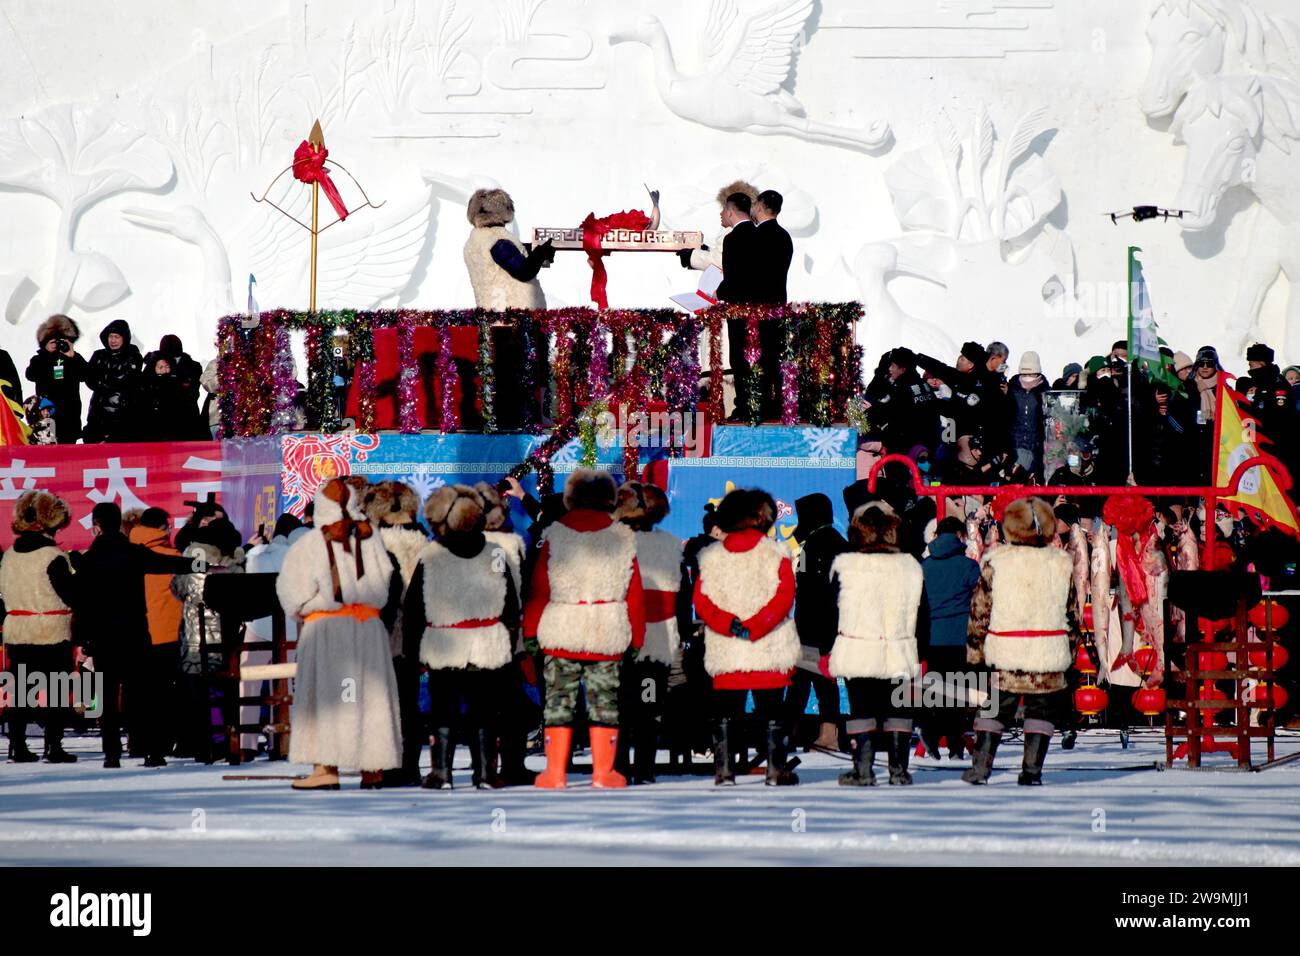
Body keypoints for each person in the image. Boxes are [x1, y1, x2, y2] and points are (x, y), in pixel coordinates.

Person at [276, 477, 403, 790]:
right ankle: (372, 768)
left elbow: (292, 591)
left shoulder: (310, 542)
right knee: (369, 697)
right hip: (367, 627)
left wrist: (307, 607)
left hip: (327, 627)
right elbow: (387, 578)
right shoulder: (372, 538)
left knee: (325, 697)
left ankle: (326, 768)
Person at [523, 469, 646, 789]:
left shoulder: (555, 535)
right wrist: (637, 637)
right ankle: (604, 773)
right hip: (606, 631)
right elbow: (634, 592)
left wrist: (531, 633)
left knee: (558, 703)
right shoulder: (622, 537)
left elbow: (540, 588)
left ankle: (555, 773)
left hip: (562, 629)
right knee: (605, 703)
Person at [404, 485, 518, 790]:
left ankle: (442, 772)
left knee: (444, 709)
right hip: (487, 642)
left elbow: (415, 608)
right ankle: (485, 773)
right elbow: (510, 603)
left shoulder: (431, 557)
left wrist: (412, 649)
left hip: (444, 643)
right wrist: (507, 637)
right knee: (484, 710)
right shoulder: (495, 553)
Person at [964, 496, 1082, 786]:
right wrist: (1070, 651)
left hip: (1007, 648)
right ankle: (1032, 771)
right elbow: (1071, 614)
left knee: (995, 707)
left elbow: (980, 610)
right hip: (1048, 648)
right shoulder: (1061, 564)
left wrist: (976, 653)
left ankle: (981, 767)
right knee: (1041, 710)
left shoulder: (996, 562)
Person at [70, 502, 194, 767]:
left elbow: (82, 603)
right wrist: (197, 564)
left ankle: (112, 754)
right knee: (143, 695)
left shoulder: (89, 560)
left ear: (96, 525)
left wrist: (81, 639)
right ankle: (151, 751)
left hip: (103, 638)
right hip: (136, 633)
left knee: (108, 696)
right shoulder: (133, 553)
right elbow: (166, 563)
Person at [694, 488, 800, 786]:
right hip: (769, 645)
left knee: (726, 712)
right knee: (771, 712)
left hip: (727, 646)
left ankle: (725, 771)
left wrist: (730, 624)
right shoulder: (777, 552)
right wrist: (756, 626)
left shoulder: (711, 556)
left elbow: (701, 600)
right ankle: (775, 770)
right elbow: (784, 597)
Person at [826, 502, 924, 786]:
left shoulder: (846, 566)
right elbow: (923, 613)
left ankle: (863, 771)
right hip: (899, 649)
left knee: (861, 709)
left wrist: (827, 646)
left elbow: (831, 609)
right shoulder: (910, 567)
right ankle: (899, 771)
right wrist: (922, 651)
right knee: (898, 710)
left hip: (858, 650)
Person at [612, 480, 685, 784]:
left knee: (618, 705)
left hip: (619, 635)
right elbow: (683, 595)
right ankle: (645, 767)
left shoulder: (611, 542)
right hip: (658, 638)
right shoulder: (670, 544)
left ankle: (617, 766)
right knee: (649, 702)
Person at [0, 491, 78, 763]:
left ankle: (18, 745)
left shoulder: (9, 555)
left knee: (20, 691)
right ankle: (53, 746)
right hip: (51, 628)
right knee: (56, 690)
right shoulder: (52, 555)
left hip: (18, 629)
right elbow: (70, 594)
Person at [361, 480, 430, 787]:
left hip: (385, 633)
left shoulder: (377, 544)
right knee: (409, 701)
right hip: (418, 635)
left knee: (383, 702)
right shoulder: (426, 543)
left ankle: (386, 766)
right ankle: (410, 766)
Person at [476, 480, 537, 786]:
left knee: (488, 704)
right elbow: (514, 591)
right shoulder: (507, 546)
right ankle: (509, 765)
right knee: (510, 704)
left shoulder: (459, 546)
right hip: (503, 635)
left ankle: (486, 767)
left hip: (475, 636)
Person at [171, 517, 246, 762]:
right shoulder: (236, 566)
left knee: (197, 694)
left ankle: (201, 743)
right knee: (225, 693)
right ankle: (225, 740)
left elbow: (176, 589)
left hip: (194, 638)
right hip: (228, 639)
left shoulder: (190, 562)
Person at [786, 492, 847, 752]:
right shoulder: (842, 544)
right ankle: (828, 734)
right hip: (833, 626)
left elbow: (806, 590)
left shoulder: (811, 547)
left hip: (811, 627)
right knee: (825, 683)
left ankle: (787, 733)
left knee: (799, 684)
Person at [242, 513, 307, 759]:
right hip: (292, 629)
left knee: (249, 684)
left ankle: (246, 743)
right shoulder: (303, 557)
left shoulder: (259, 555)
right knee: (288, 686)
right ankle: (283, 740)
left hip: (258, 627)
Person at [918, 516, 981, 760]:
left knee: (939, 692)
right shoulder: (968, 566)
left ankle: (942, 738)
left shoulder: (924, 566)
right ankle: (943, 740)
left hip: (932, 637)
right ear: (959, 535)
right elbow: (981, 600)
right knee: (958, 694)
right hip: (959, 637)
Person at [129, 508, 186, 766]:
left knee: (138, 691)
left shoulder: (126, 556)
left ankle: (136, 742)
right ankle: (161, 744)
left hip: (135, 633)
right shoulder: (173, 558)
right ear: (163, 527)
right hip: (167, 633)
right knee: (165, 694)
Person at [463, 188, 554, 310]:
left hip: (492, 311)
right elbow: (523, 272)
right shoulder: (496, 240)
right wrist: (540, 253)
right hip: (514, 315)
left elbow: (506, 259)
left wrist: (533, 250)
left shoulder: (474, 242)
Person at [26, 314, 87, 443]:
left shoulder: (72, 358)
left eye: (59, 341)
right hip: (46, 414)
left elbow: (86, 375)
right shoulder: (39, 359)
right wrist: (46, 355)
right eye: (52, 341)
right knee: (46, 453)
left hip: (69, 415)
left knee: (68, 454)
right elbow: (30, 375)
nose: (56, 344)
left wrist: (72, 356)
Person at [678, 179, 758, 273]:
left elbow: (720, 261)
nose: (721, 213)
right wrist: (706, 250)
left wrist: (691, 256)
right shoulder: (755, 230)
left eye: (725, 208)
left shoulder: (732, 234)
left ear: (731, 211)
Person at [83, 319, 143, 443]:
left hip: (122, 418)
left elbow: (125, 378)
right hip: (97, 416)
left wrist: (102, 381)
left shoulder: (133, 356)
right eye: (110, 336)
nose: (113, 340)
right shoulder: (98, 355)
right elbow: (89, 377)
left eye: (117, 336)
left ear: (124, 338)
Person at [1009, 350, 1048, 479]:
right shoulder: (1011, 390)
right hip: (1013, 449)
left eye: (1031, 374)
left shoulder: (1045, 392)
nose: (1028, 378)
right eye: (1025, 374)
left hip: (1037, 450)